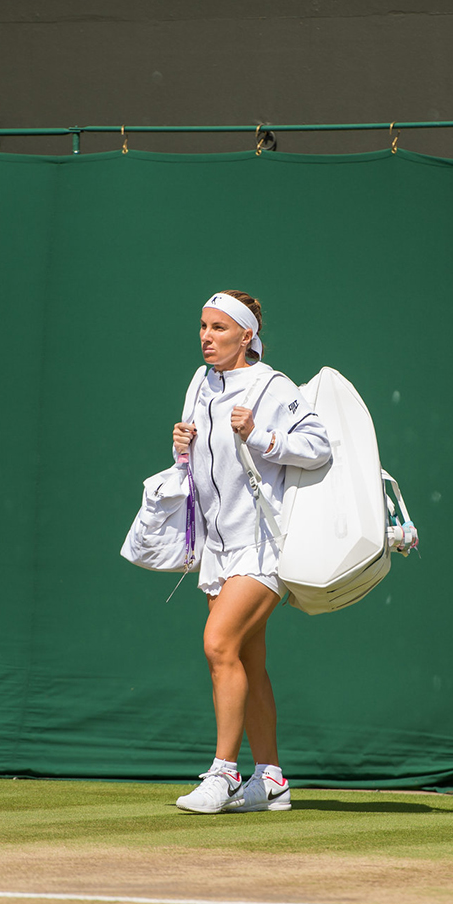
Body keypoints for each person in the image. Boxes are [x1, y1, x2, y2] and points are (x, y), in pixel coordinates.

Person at [170, 290, 330, 814]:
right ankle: (272, 779)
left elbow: (319, 446)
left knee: (218, 644)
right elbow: (207, 461)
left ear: (246, 336)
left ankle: (222, 773)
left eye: (218, 328)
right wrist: (182, 445)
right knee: (246, 660)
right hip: (219, 545)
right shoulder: (200, 382)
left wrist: (261, 434)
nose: (205, 337)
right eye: (202, 326)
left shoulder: (271, 385)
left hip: (263, 543)